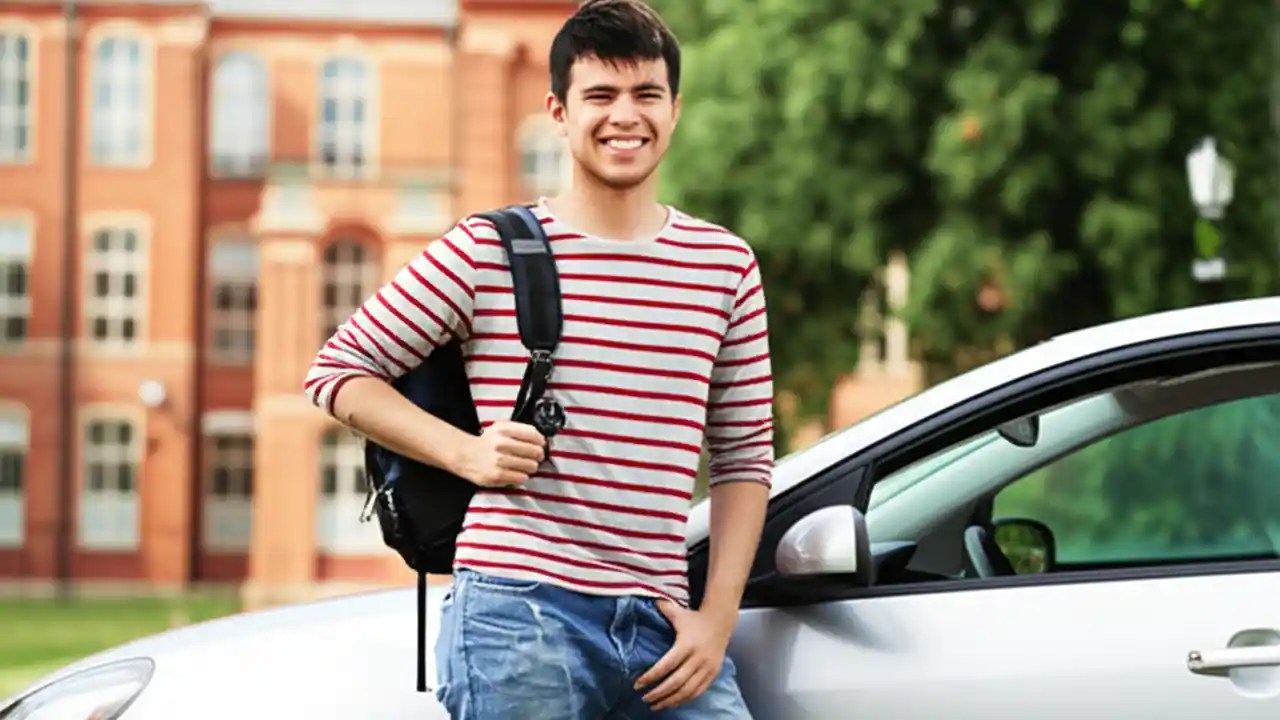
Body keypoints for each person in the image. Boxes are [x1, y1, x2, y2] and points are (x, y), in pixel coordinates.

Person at [302, 0, 774, 717]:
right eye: (601, 96)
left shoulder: (723, 265)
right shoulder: (489, 249)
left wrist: (716, 621)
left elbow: (744, 456)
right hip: (519, 616)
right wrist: (467, 454)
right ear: (558, 111)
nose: (626, 116)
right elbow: (337, 373)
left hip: (664, 624)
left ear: (675, 110)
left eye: (647, 94)